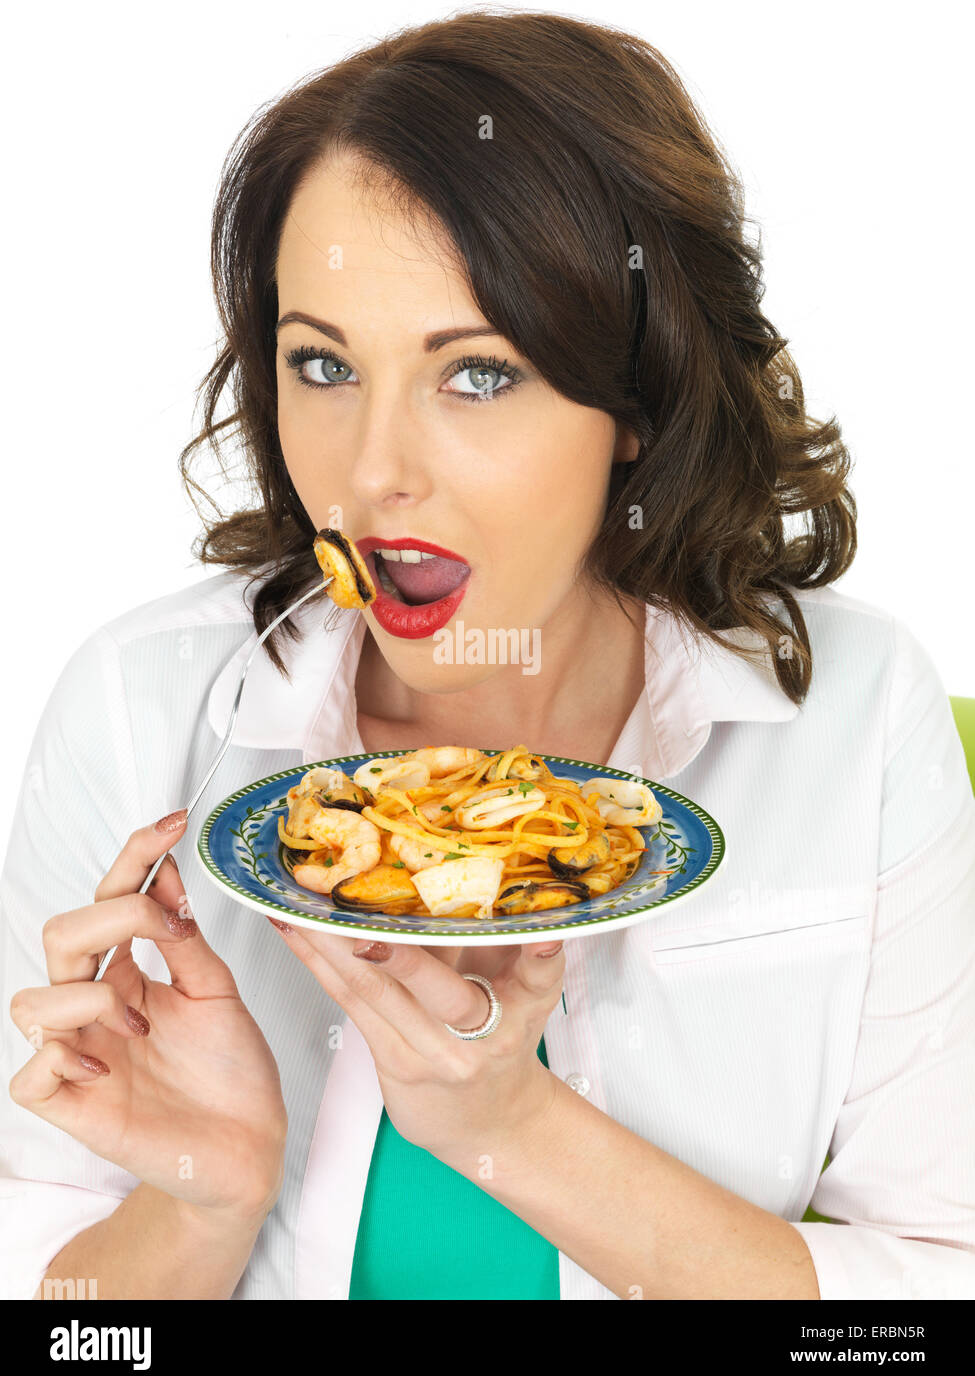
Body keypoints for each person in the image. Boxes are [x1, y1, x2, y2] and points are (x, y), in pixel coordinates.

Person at [3, 10, 973, 1301]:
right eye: (322, 363)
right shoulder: (139, 712)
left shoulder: (854, 717)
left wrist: (512, 1131)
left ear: (634, 399)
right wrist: (201, 1202)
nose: (374, 472)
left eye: (476, 377)